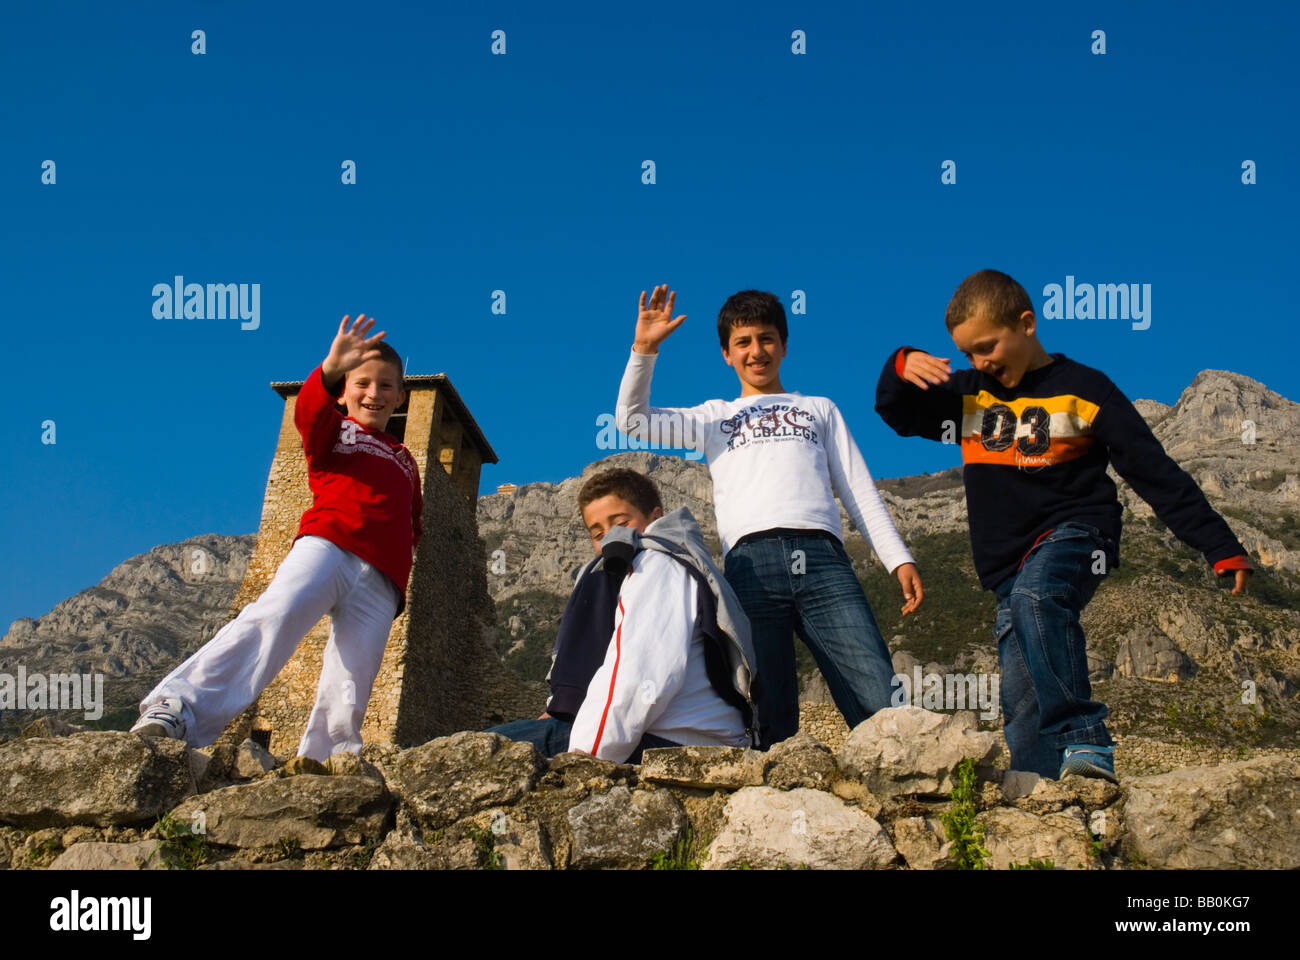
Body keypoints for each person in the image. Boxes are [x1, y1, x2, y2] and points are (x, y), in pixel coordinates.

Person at [875, 269, 1254, 782]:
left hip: (1077, 533)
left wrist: (1217, 544)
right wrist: (900, 364)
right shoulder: (969, 395)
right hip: (1006, 564)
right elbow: (896, 412)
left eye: (987, 346)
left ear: (1026, 324)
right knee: (1022, 692)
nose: (980, 362)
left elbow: (1152, 469)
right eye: (968, 353)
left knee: (1038, 598)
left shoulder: (1085, 388)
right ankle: (1039, 792)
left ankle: (1085, 737)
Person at [615, 285, 924, 749]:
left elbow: (858, 489)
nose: (756, 351)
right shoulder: (715, 417)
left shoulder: (819, 409)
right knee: (767, 709)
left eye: (766, 339)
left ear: (783, 345)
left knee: (878, 692)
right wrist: (644, 349)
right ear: (726, 354)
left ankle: (904, 772)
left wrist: (898, 558)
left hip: (825, 562)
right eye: (742, 342)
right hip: (750, 567)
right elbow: (632, 421)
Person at [131, 314, 422, 762]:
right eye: (361, 383)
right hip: (328, 546)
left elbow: (413, 520)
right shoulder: (335, 432)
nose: (374, 394)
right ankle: (179, 708)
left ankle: (327, 760)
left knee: (355, 674)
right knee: (274, 616)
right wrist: (328, 369)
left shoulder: (406, 460)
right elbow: (307, 412)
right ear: (342, 391)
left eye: (386, 386)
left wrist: (401, 564)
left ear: (401, 397)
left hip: (382, 580)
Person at [487, 468, 757, 764]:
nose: (611, 537)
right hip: (673, 732)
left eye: (621, 523)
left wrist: (584, 760)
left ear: (656, 518)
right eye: (598, 534)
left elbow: (638, 673)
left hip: (675, 739)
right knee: (492, 741)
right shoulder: (651, 566)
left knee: (482, 752)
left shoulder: (655, 564)